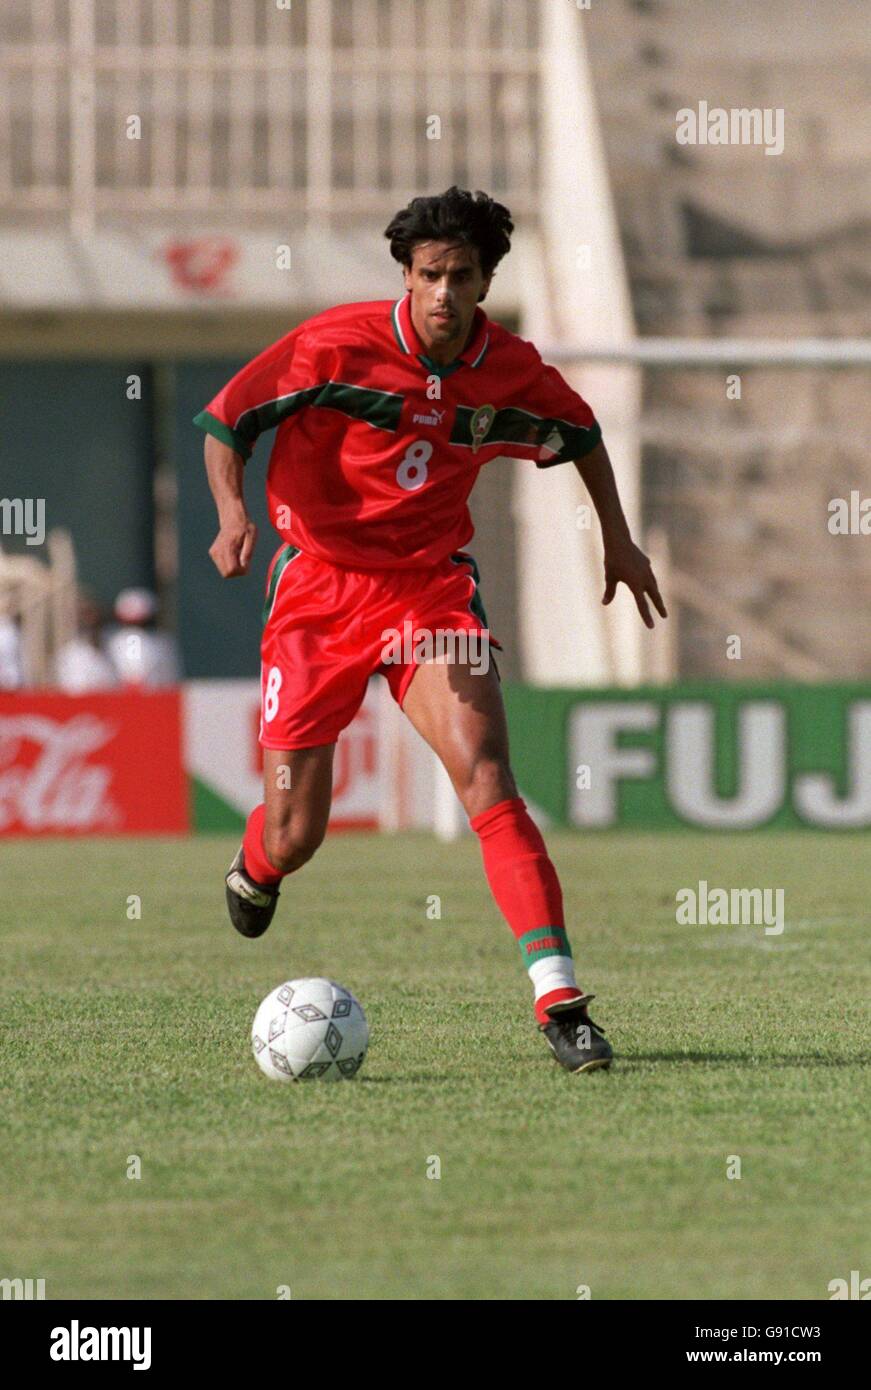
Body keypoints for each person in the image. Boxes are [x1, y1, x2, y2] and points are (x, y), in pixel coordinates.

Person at [195, 187, 667, 1075]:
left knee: (487, 776)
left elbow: (581, 433)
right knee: (298, 832)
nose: (442, 292)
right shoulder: (333, 345)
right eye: (427, 275)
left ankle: (560, 1003)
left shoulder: (512, 368)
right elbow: (227, 420)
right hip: (317, 594)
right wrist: (229, 514)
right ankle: (258, 863)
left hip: (429, 594)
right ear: (405, 277)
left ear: (485, 282)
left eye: (459, 276)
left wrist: (619, 539)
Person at [103, 587, 180, 687]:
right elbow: (134, 679)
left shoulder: (161, 640)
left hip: (158, 695)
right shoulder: (130, 639)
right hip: (138, 698)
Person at [54, 589, 118, 692]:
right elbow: (77, 692)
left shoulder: (113, 646)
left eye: (94, 614)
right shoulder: (72, 655)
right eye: (85, 615)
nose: (91, 620)